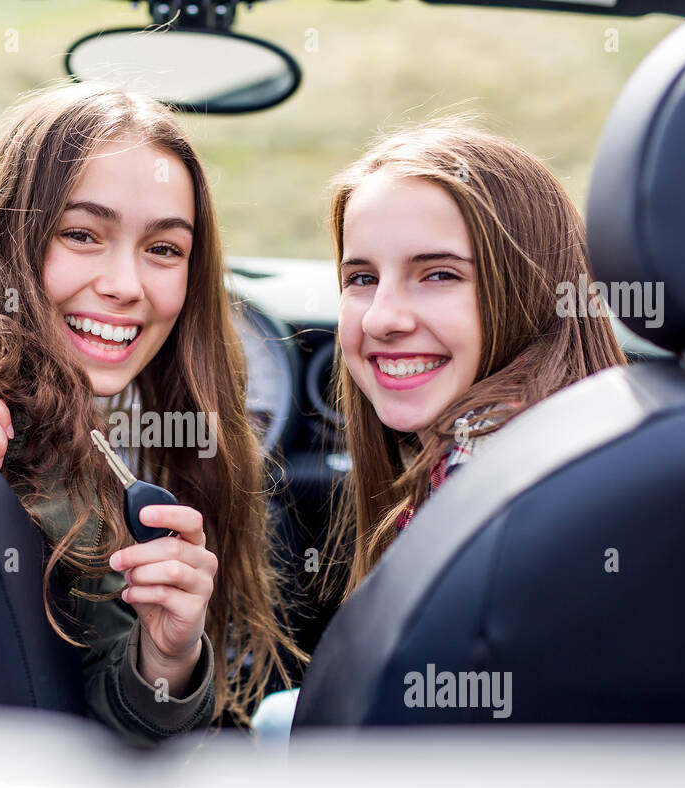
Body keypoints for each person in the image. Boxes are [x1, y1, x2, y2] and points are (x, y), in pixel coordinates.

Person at [0, 82, 306, 747]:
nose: (125, 284)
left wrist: (167, 659)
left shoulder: (103, 471)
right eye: (81, 234)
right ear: (7, 233)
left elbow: (112, 738)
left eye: (163, 249)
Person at [254, 122, 626, 741]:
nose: (383, 318)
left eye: (440, 275)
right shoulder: (587, 437)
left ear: (530, 287)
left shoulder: (483, 489)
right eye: (361, 278)